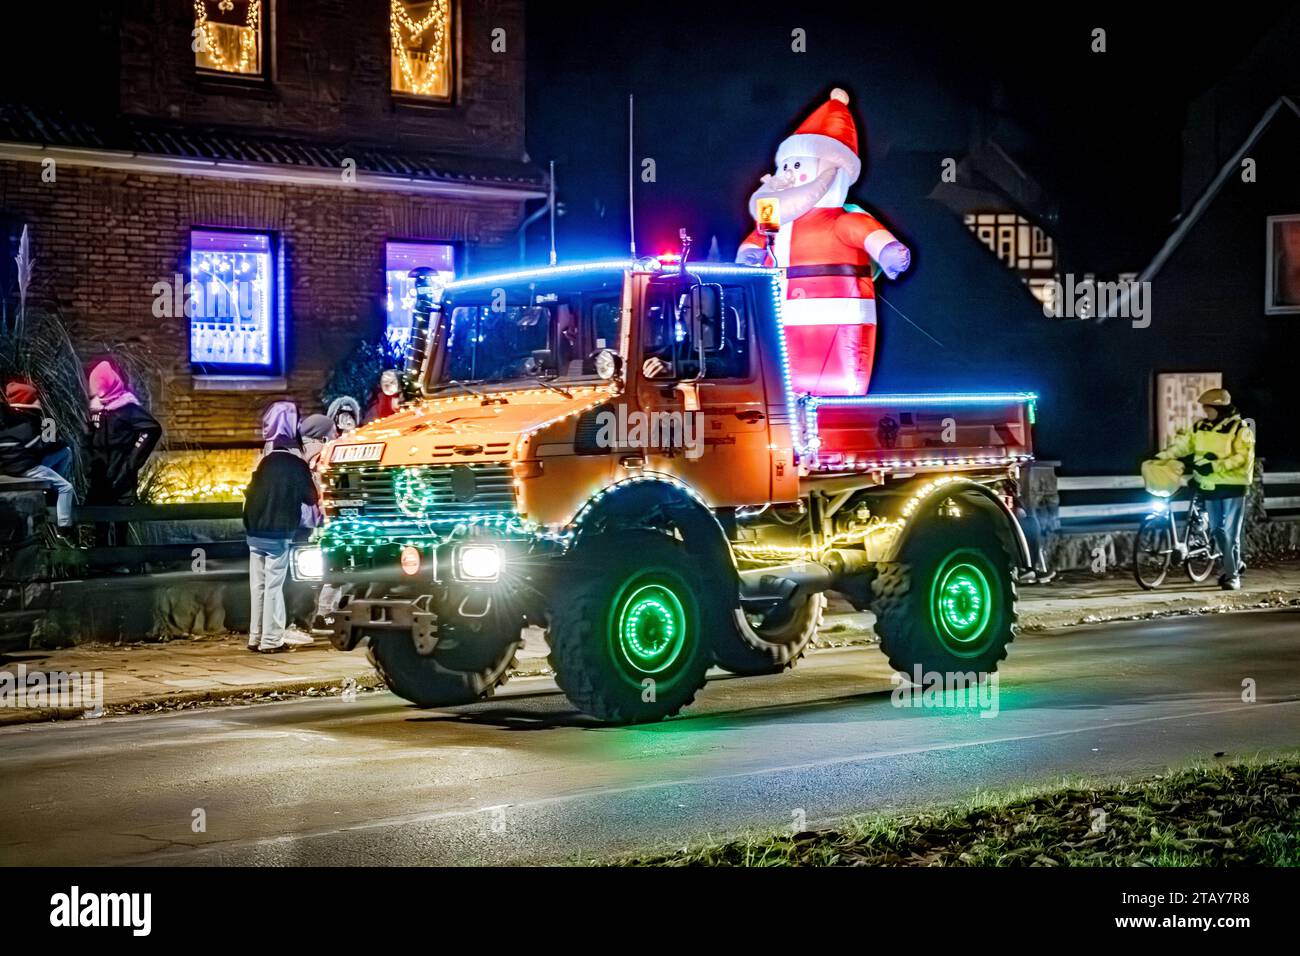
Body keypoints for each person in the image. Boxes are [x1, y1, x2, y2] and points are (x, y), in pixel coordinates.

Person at [1156, 388, 1255, 590]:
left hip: (1233, 487)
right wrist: (1162, 457)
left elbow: (1243, 458)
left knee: (1229, 532)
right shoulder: (1201, 427)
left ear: (1219, 408)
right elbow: (1183, 445)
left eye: (1207, 408)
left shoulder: (1240, 429)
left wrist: (1214, 465)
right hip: (1209, 485)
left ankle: (1232, 576)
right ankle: (1234, 563)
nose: (1204, 411)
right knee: (1217, 530)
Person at [244, 401, 318, 652]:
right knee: (275, 585)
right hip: (278, 532)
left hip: (255, 531)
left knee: (259, 586)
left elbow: (251, 492)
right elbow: (311, 498)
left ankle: (255, 637)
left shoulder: (266, 461)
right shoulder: (297, 464)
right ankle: (271, 640)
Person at [85, 360, 161, 547]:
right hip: (100, 473)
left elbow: (151, 429)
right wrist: (89, 461)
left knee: (121, 519)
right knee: (100, 520)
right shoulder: (97, 409)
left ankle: (121, 559)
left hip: (121, 472)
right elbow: (90, 437)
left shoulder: (127, 408)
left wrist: (131, 461)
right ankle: (101, 562)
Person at [0, 388, 76, 538]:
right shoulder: (27, 425)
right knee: (67, 487)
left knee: (65, 453)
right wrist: (55, 442)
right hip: (25, 467)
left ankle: (52, 490)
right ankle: (64, 528)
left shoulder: (7, 422)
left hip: (10, 465)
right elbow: (40, 447)